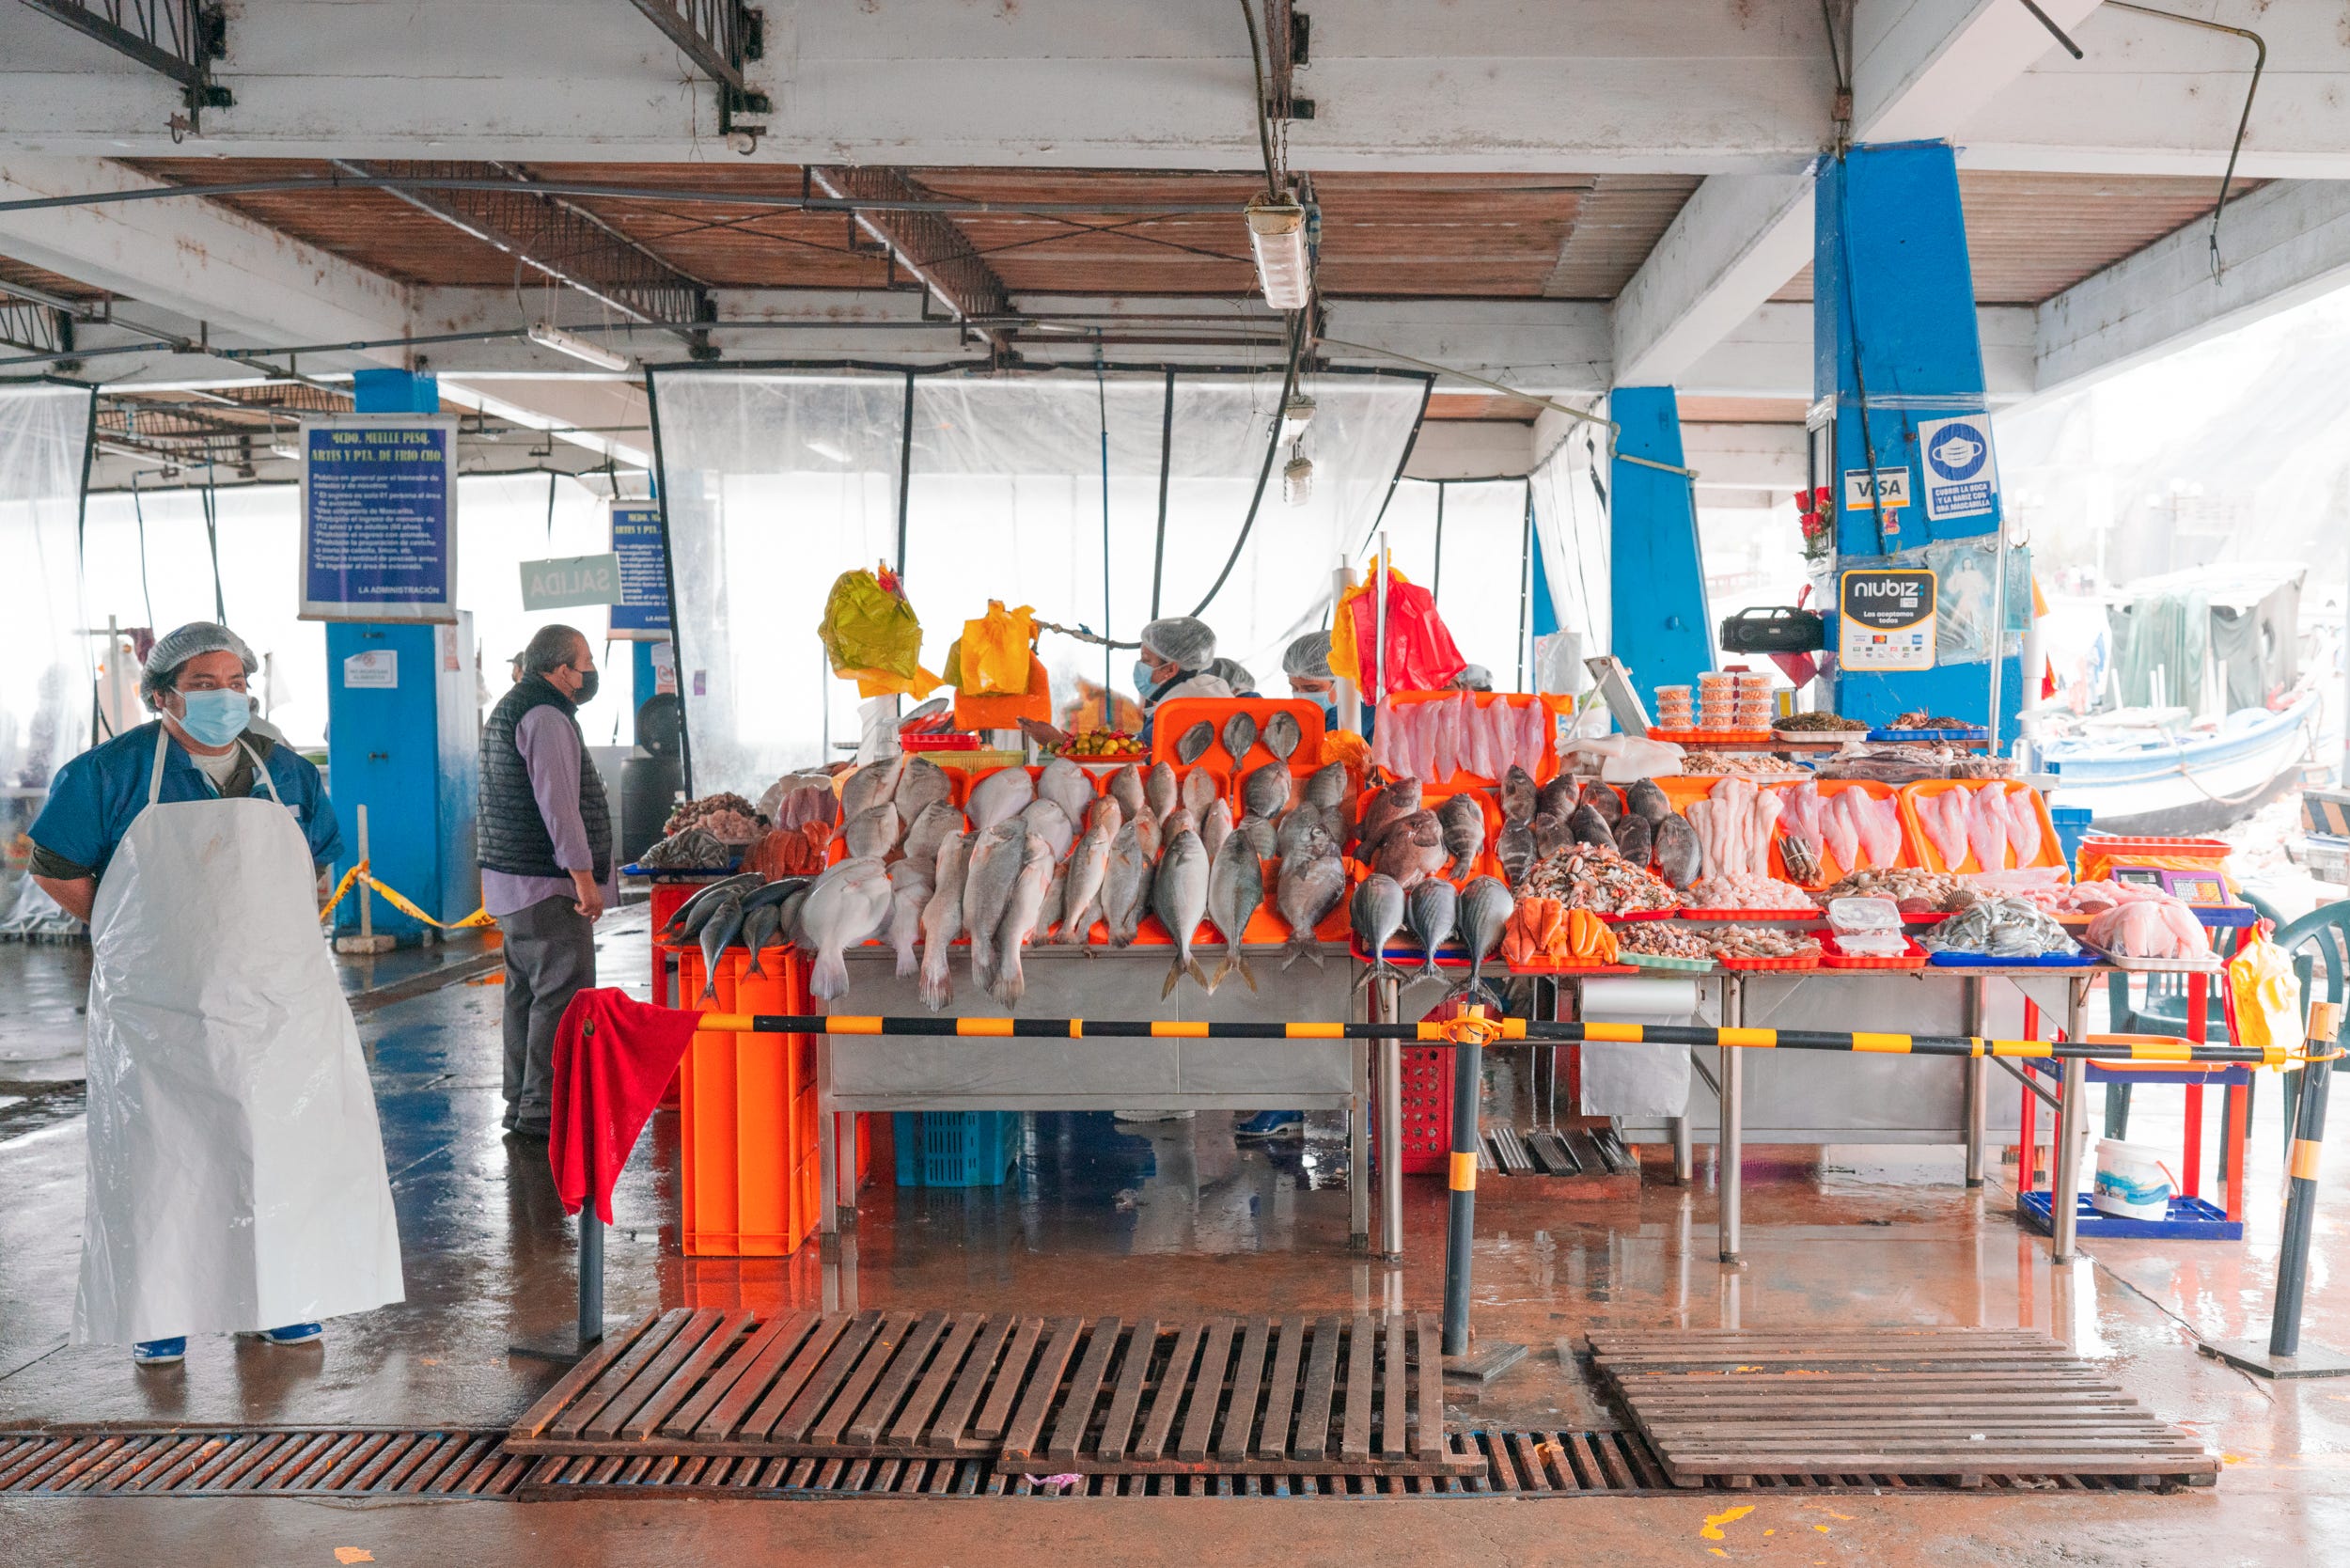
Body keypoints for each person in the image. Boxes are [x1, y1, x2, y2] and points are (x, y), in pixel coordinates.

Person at [29, 621, 401, 1368]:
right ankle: (157, 1312)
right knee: (161, 1151)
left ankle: (281, 1300)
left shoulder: (284, 771)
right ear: (161, 694)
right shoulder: (107, 773)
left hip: (275, 1005)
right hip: (158, 1004)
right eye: (203, 684)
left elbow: (313, 865)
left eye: (235, 682)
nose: (224, 697)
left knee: (276, 1147)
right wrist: (130, 929)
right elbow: (56, 867)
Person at [480, 624, 612, 1142]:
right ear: (561, 671)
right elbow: (560, 808)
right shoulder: (546, 717)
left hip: (512, 882)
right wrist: (584, 878)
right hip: (546, 883)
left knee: (525, 996)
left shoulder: (512, 707)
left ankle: (521, 1102)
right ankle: (543, 1110)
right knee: (560, 995)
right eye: (585, 665)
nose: (590, 674)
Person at [1131, 616, 1231, 741]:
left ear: (1171, 669)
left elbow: (1144, 750)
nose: (1140, 665)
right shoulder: (1215, 689)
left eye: (1146, 659)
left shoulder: (1169, 715)